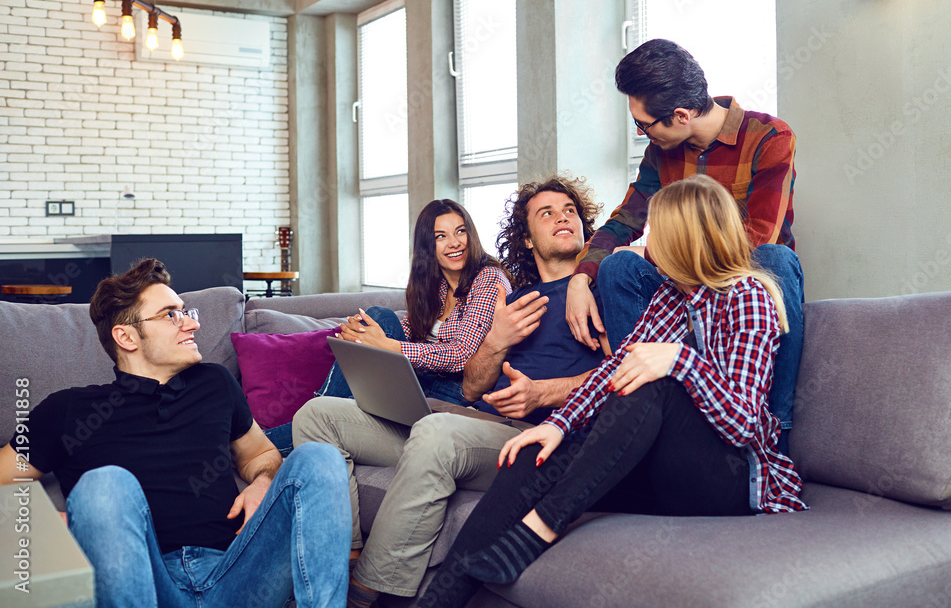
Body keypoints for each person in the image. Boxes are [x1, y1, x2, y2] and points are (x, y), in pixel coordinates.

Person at [419, 175, 807, 608]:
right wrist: (558, 425)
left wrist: (681, 361)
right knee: (535, 452)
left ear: (682, 237)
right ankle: (437, 601)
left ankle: (541, 527)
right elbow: (614, 370)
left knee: (656, 382)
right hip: (663, 477)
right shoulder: (669, 298)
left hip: (730, 483)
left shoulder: (748, 296)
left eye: (654, 230)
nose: (645, 240)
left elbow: (745, 423)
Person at [293, 177, 608, 608]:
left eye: (569, 210)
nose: (562, 218)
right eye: (547, 213)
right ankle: (341, 555)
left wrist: (543, 393)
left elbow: (625, 372)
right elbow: (473, 386)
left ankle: (364, 595)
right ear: (527, 238)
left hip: (541, 436)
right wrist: (496, 340)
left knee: (436, 431)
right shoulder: (519, 297)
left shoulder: (604, 287)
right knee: (317, 415)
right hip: (483, 420)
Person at [0, 259, 351, 608]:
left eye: (186, 311)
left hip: (238, 577)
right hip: (146, 583)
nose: (192, 323)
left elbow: (261, 454)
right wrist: (61, 520)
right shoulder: (68, 410)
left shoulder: (215, 383)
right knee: (103, 485)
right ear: (126, 337)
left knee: (320, 457)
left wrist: (262, 482)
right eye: (171, 315)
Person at [565, 38, 804, 453]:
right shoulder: (661, 151)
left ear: (680, 115)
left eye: (644, 125)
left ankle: (774, 435)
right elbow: (625, 220)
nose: (641, 133)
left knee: (776, 258)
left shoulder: (770, 137)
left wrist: (661, 254)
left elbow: (759, 234)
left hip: (745, 287)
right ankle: (643, 419)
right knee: (617, 267)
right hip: (680, 292)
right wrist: (581, 277)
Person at [264, 199, 510, 455]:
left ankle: (275, 435)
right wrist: (365, 333)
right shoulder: (437, 284)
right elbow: (410, 328)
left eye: (460, 231)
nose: (455, 242)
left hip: (453, 393)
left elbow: (462, 354)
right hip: (420, 381)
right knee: (377, 317)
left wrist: (389, 346)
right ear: (428, 246)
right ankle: (308, 418)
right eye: (441, 236)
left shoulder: (488, 278)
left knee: (375, 329)